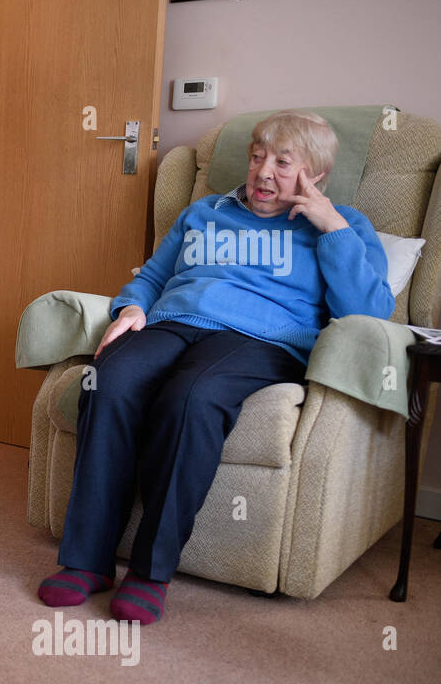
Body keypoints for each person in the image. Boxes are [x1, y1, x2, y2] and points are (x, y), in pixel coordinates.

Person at [38, 110, 394, 624]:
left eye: (282, 163)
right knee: (106, 380)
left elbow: (368, 312)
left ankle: (149, 572)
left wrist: (331, 226)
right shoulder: (205, 211)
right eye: (256, 157)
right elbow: (153, 275)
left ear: (314, 175)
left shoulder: (344, 227)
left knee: (192, 397)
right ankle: (87, 562)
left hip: (263, 339)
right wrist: (133, 306)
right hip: (174, 321)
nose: (263, 172)